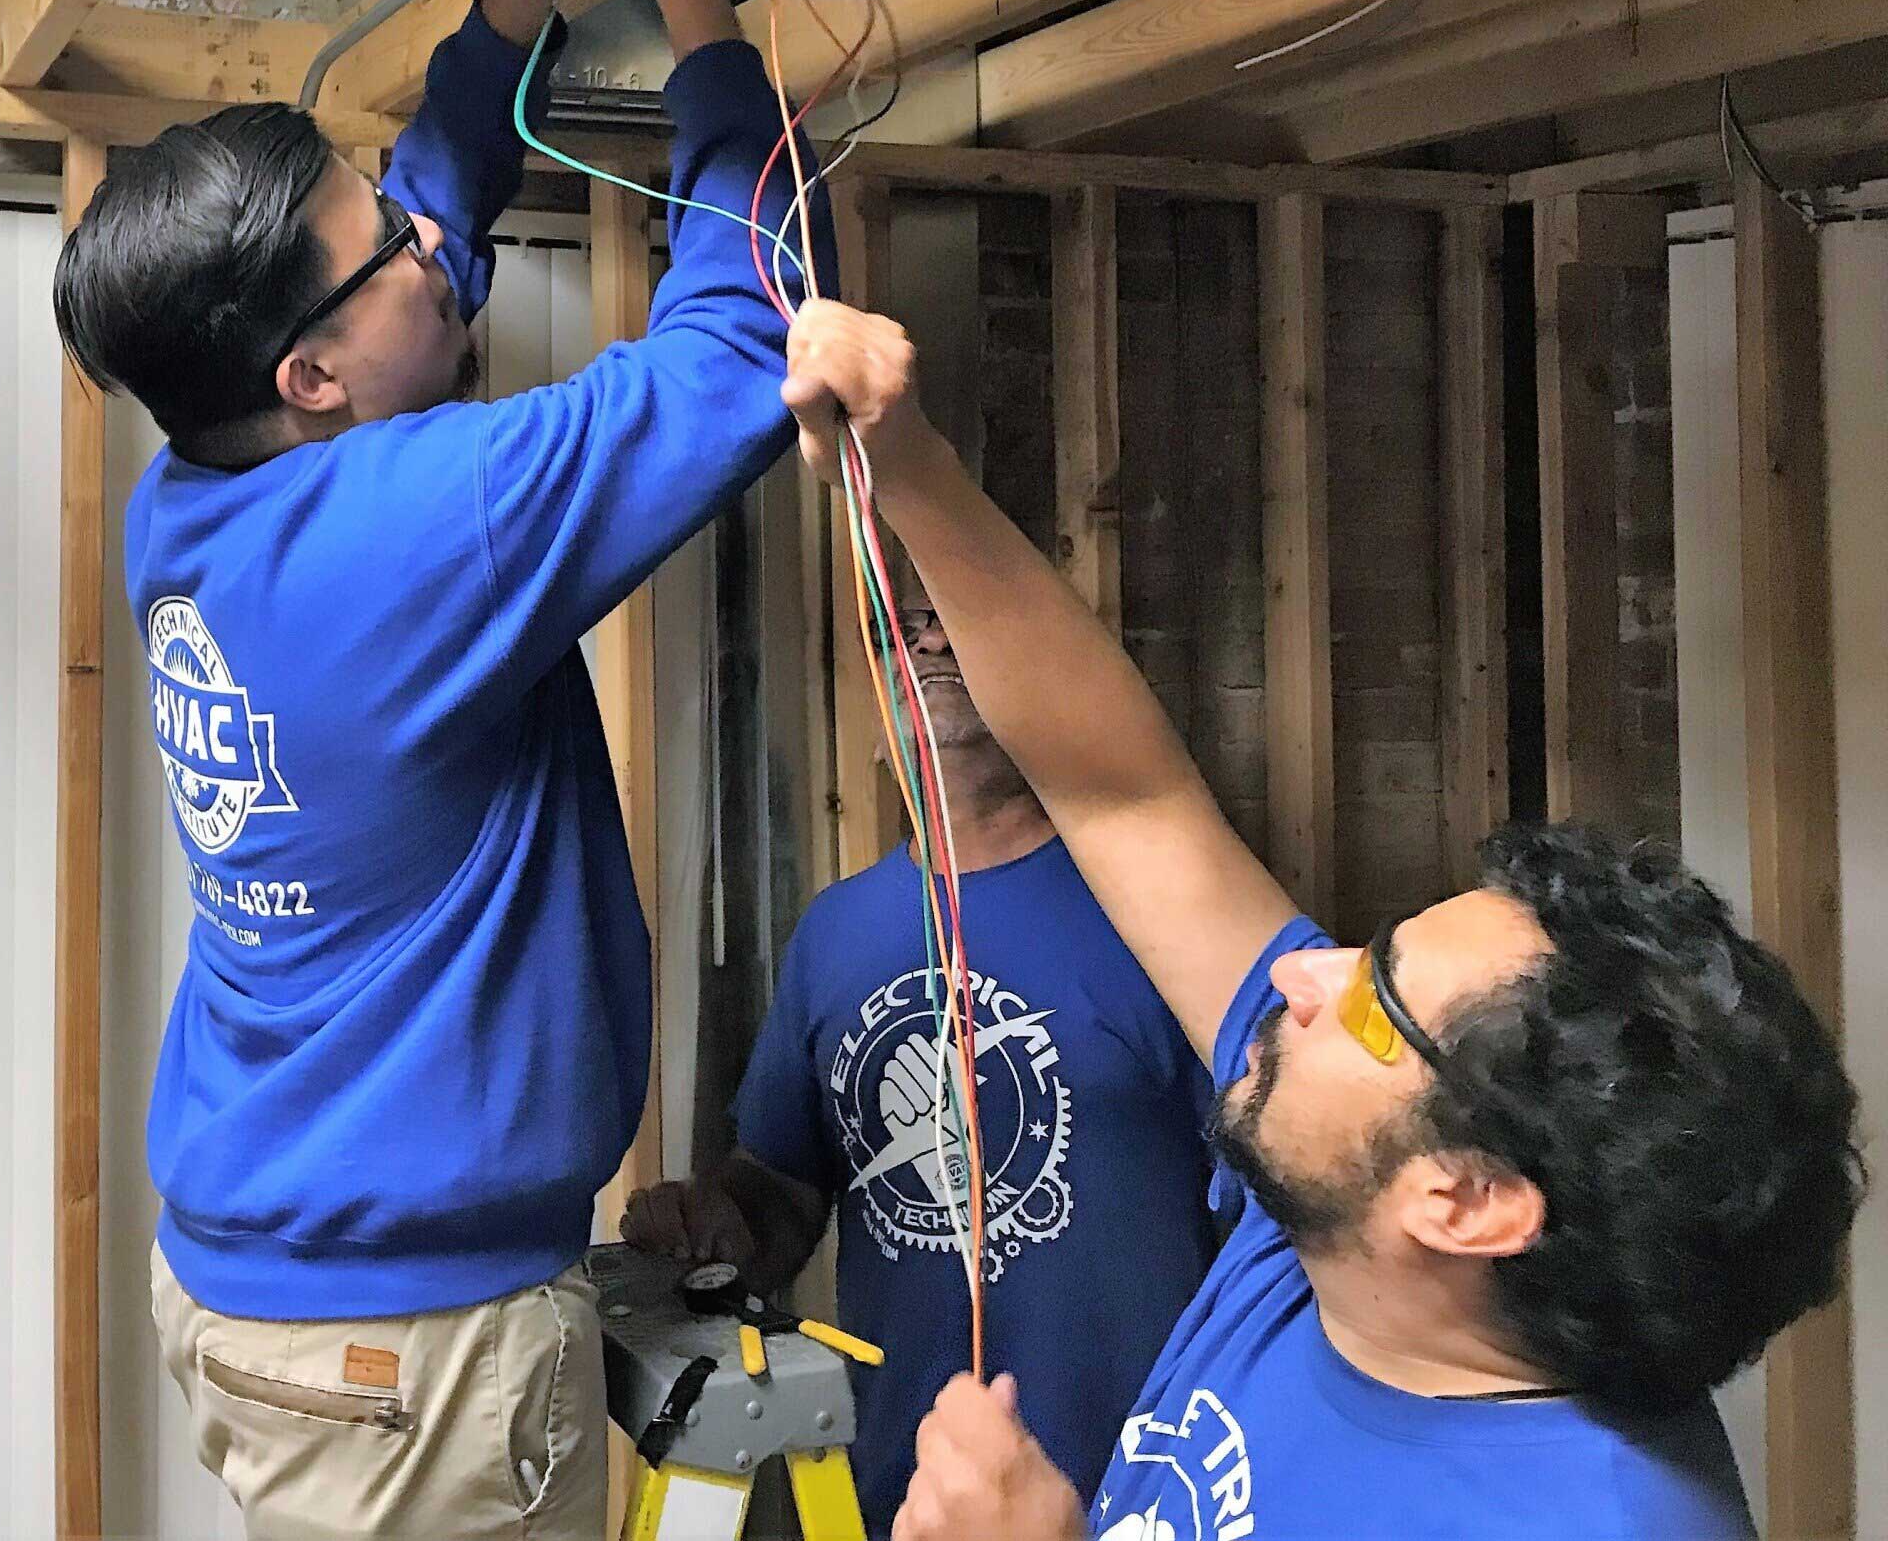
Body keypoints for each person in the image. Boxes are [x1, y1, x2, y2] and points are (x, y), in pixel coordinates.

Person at [51, 0, 834, 1541]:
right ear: (314, 376)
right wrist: (702, 15)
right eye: (388, 250)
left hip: (275, 1286)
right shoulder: (416, 525)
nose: (428, 243)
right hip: (406, 1350)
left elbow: (424, 225)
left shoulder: (196, 491)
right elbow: (747, 345)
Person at [774, 300, 1865, 1541]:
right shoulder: (1331, 1250)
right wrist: (908, 465)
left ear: (1468, 1199)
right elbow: (1126, 795)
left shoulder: (1585, 1523)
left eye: (1375, 1001)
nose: (1304, 973)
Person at [622, 585, 1220, 1534]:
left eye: (959, 614)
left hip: (1143, 1496)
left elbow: (1281, 1223)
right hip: (907, 1495)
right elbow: (785, 1186)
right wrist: (721, 1224)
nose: (929, 637)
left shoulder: (1167, 917)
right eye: (905, 624)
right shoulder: (835, 933)